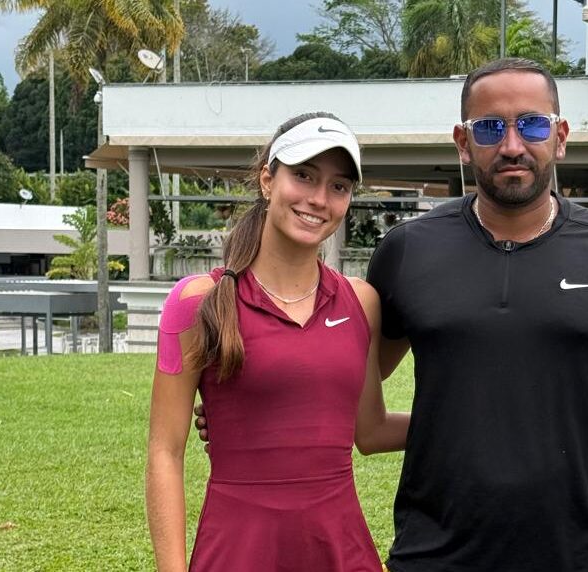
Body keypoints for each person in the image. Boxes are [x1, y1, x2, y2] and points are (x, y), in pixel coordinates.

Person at [364, 58, 588, 571]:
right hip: (434, 554)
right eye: (489, 128)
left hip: (578, 554)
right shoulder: (407, 251)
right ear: (462, 142)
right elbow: (347, 387)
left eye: (532, 123)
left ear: (561, 136)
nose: (512, 145)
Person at [145, 112, 408, 571]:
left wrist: (466, 422)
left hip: (340, 549)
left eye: (339, 186)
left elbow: (369, 431)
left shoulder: (360, 301)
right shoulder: (197, 302)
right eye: (303, 175)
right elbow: (165, 452)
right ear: (268, 179)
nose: (318, 199)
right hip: (238, 549)